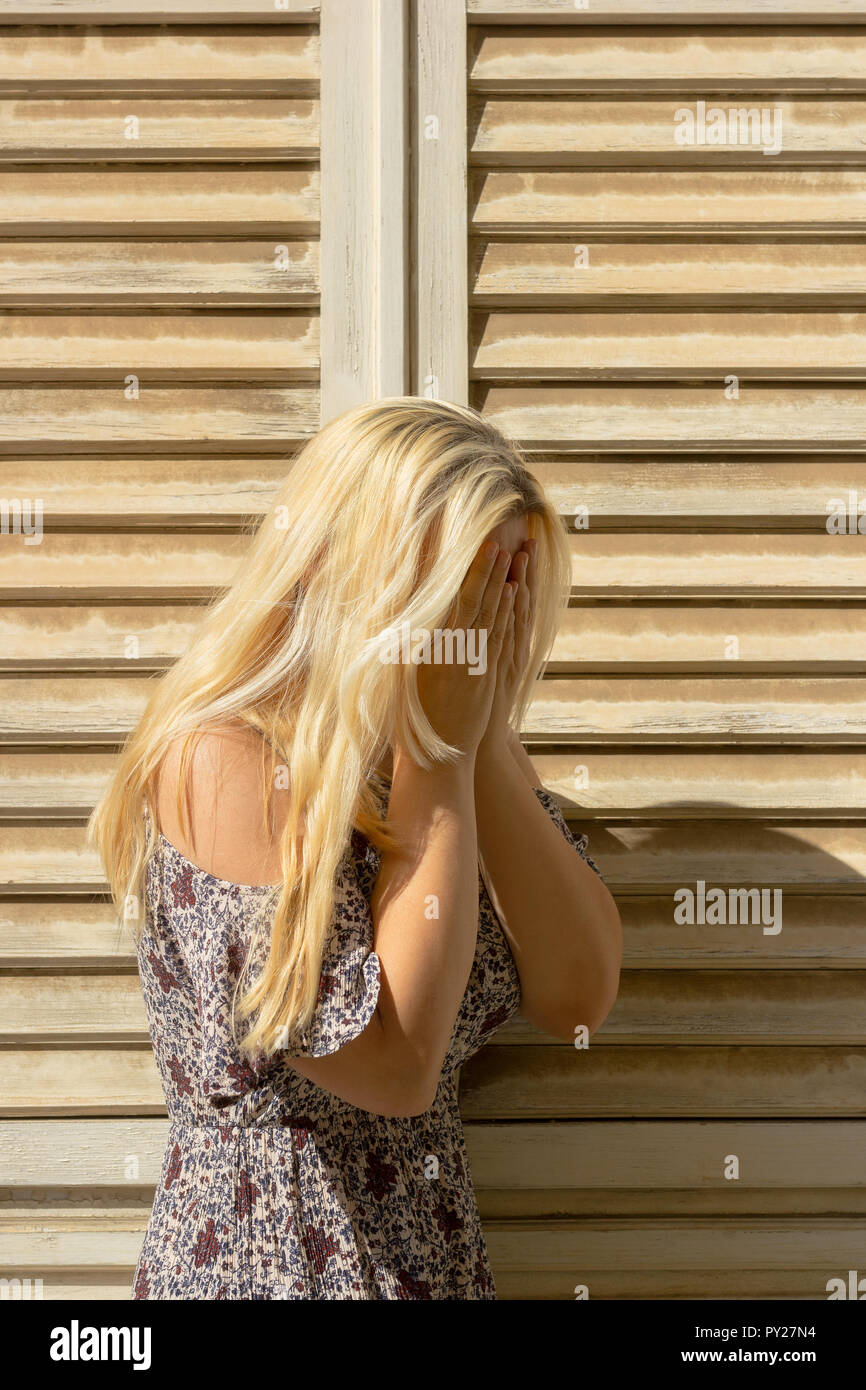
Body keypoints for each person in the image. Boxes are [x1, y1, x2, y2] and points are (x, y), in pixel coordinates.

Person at [88, 395, 622, 1300]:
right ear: (378, 573)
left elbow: (578, 998)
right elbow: (395, 1063)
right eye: (474, 580)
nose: (496, 611)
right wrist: (441, 755)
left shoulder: (438, 750)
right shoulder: (228, 758)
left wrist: (479, 742)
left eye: (514, 577)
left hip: (426, 1250)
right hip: (276, 1253)